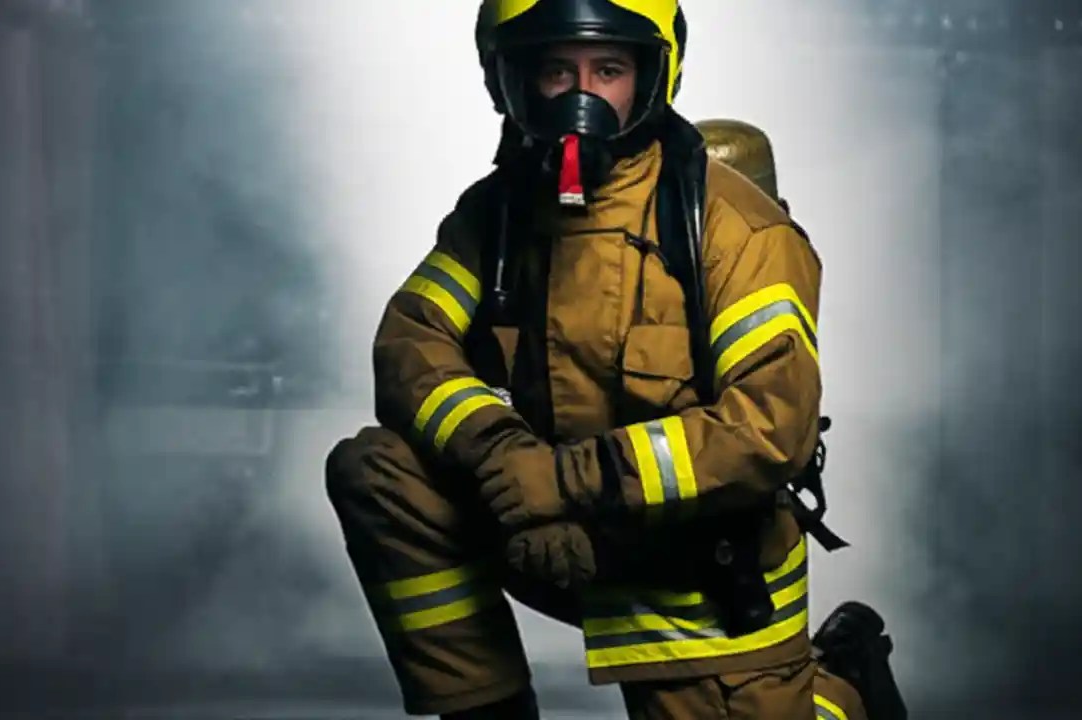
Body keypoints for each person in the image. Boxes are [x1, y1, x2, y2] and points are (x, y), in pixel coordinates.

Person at [325, 2, 905, 718]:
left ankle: (847, 687)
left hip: (699, 580)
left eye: (608, 71)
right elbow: (412, 340)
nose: (580, 97)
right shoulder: (499, 215)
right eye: (555, 71)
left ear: (652, 75)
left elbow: (769, 428)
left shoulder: (734, 229)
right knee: (380, 470)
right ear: (510, 79)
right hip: (549, 536)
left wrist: (568, 483)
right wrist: (502, 455)